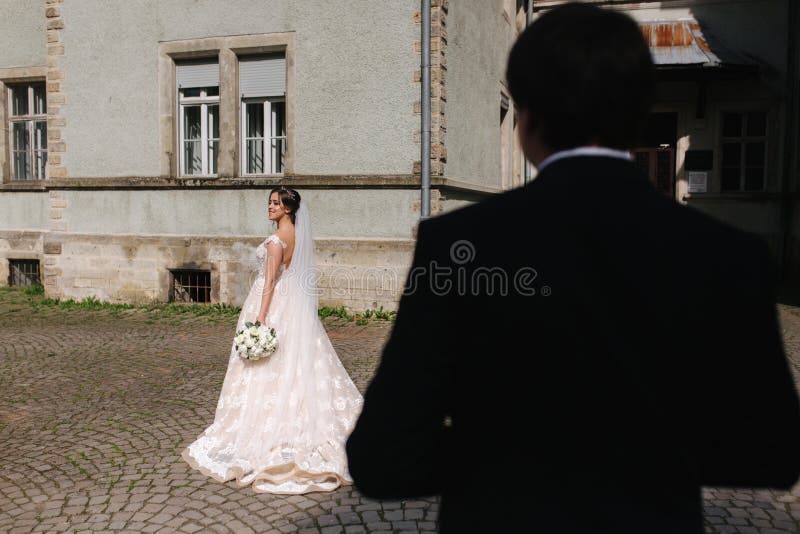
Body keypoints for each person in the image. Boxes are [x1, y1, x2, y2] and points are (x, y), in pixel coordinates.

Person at [346, 3, 800, 533]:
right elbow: (774, 452)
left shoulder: (455, 244)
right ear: (637, 116)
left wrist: (503, 458)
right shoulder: (730, 255)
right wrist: (647, 455)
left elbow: (383, 459)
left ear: (526, 118)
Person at [183, 187, 363, 494]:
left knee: (265, 367)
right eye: (269, 202)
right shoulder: (297, 235)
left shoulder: (278, 240)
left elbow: (268, 282)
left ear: (288, 209)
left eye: (276, 203)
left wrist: (260, 320)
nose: (270, 207)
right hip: (291, 305)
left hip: (271, 304)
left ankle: (267, 428)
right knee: (296, 364)